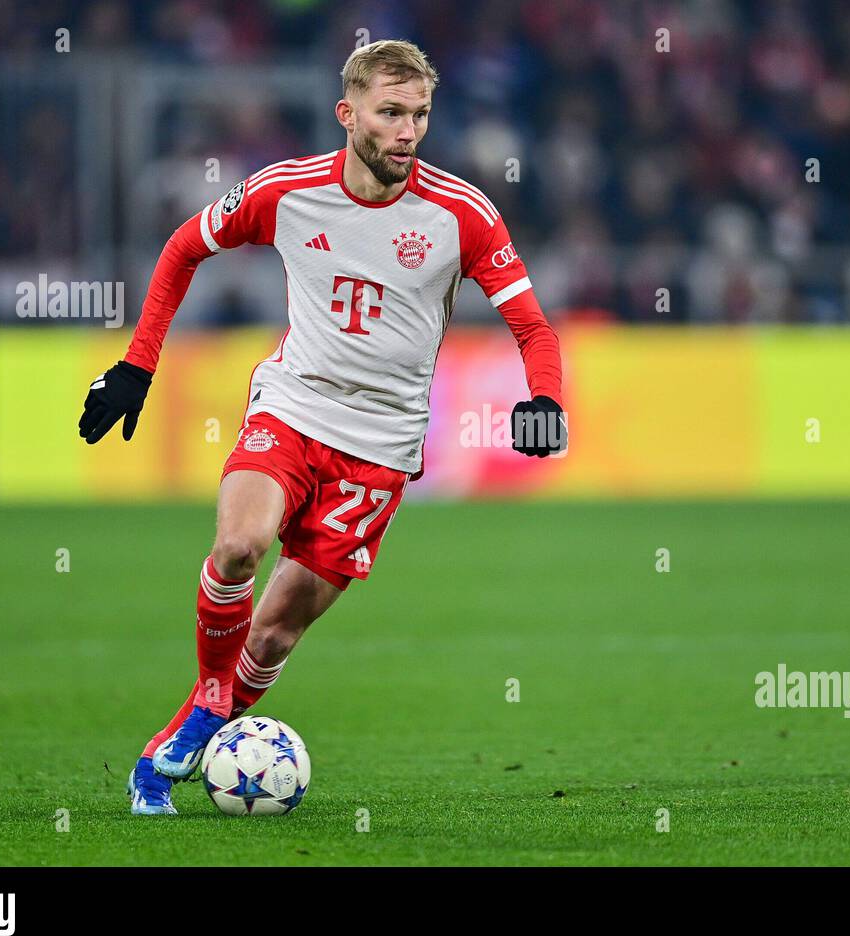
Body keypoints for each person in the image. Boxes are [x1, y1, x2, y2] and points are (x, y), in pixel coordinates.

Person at [77, 39, 567, 814]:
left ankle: (163, 756)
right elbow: (183, 247)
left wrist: (545, 399)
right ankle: (209, 702)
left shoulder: (463, 214)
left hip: (381, 447)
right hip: (293, 405)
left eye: (420, 116)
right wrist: (138, 364)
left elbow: (534, 328)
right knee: (239, 546)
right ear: (348, 114)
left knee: (270, 638)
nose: (408, 132)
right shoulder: (287, 191)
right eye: (391, 113)